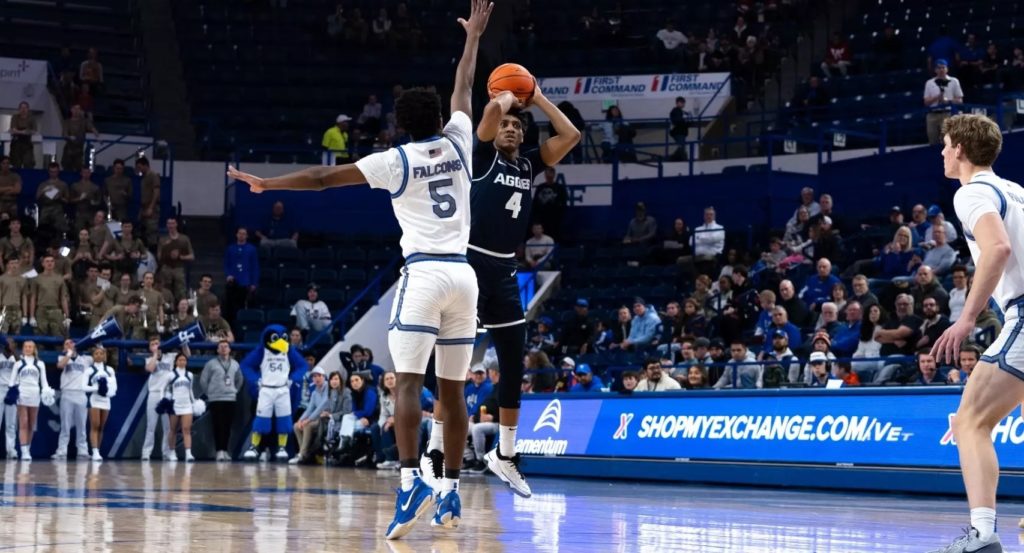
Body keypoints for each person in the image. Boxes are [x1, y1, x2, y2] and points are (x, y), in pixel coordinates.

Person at [227, 0, 492, 538]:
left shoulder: (396, 159)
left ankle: (411, 480)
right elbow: (465, 85)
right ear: (439, 121)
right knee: (454, 392)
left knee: (406, 384)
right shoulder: (460, 141)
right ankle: (450, 491)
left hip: (422, 275)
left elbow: (323, 181)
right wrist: (473, 38)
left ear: (400, 126)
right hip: (466, 277)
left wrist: (267, 185)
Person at [419, 46, 580, 501]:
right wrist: (509, 97)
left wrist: (539, 97)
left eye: (516, 127)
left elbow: (570, 134)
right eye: (507, 126)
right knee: (455, 363)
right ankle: (434, 447)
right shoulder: (481, 154)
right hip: (469, 262)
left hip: (505, 269)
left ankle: (504, 455)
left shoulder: (529, 163)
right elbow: (489, 111)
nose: (510, 128)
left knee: (514, 356)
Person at [925, 113, 1023, 552]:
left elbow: (998, 247)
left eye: (946, 144)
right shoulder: (1015, 191)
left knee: (970, 422)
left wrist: (967, 318)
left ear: (960, 149)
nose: (943, 152)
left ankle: (982, 535)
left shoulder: (973, 193)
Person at [199, 340, 243, 462]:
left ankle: (225, 450)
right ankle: (219, 451)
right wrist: (210, 393)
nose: (224, 349)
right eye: (221, 347)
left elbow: (240, 379)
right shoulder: (211, 364)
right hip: (216, 399)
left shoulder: (235, 364)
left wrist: (234, 391)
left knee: (228, 426)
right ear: (217, 350)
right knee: (218, 425)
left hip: (230, 398)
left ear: (230, 349)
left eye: (226, 346)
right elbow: (203, 380)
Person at [7, 340, 49, 461]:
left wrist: (47, 392)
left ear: (34, 349)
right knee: (23, 423)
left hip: (35, 394)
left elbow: (44, 381)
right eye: (26, 346)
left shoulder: (40, 364)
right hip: (22, 393)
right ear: (23, 348)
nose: (28, 348)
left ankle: (28, 448)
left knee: (31, 424)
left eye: (30, 347)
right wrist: (13, 392)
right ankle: (24, 450)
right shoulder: (18, 364)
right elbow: (12, 381)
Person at [142, 336, 180, 461]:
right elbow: (150, 369)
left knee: (168, 426)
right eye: (153, 344)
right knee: (151, 426)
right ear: (150, 347)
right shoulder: (148, 359)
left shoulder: (170, 357)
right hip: (154, 393)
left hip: (167, 394)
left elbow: (187, 355)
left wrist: (184, 343)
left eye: (157, 343)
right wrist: (154, 354)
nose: (156, 345)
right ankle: (146, 453)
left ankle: (167, 452)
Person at [52, 340, 91, 460]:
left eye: (71, 343)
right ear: (63, 348)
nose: (69, 345)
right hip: (67, 394)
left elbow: (102, 359)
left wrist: (98, 344)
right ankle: (62, 450)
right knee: (65, 424)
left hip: (81, 394)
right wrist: (68, 353)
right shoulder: (62, 357)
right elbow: (60, 366)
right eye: (66, 344)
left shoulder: (86, 359)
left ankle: (83, 450)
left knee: (82, 424)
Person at [82, 346, 116, 460]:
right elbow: (83, 387)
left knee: (101, 426)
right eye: (96, 353)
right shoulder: (89, 370)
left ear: (105, 355)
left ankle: (98, 450)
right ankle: (94, 451)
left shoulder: (109, 370)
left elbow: (114, 387)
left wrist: (108, 392)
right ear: (93, 356)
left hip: (106, 400)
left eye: (101, 353)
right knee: (95, 425)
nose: (99, 355)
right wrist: (96, 388)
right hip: (94, 400)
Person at [290, 366, 328, 464]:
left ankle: (302, 454)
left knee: (307, 425)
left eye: (319, 376)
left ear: (324, 376)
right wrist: (300, 420)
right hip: (316, 417)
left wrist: (309, 419)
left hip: (326, 418)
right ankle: (304, 453)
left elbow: (322, 407)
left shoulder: (328, 387)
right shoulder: (315, 392)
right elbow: (309, 409)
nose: (316, 378)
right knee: (296, 426)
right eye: (314, 377)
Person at [165, 353, 198, 462]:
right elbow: (165, 389)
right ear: (176, 362)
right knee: (173, 429)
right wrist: (166, 401)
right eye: (180, 360)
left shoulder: (190, 375)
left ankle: (188, 453)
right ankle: (172, 452)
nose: (182, 362)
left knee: (186, 429)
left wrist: (194, 402)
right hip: (175, 405)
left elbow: (191, 390)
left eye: (184, 360)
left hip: (187, 405)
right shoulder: (171, 375)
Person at [924, 59, 965, 146]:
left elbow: (960, 100)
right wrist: (937, 97)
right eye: (939, 68)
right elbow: (926, 102)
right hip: (932, 114)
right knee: (932, 139)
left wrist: (948, 101)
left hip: (948, 113)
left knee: (948, 141)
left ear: (947, 69)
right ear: (935, 70)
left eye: (943, 67)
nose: (941, 70)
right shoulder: (929, 83)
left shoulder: (954, 81)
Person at [223, 227, 259, 323]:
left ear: (247, 236)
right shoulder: (230, 248)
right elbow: (226, 264)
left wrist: (254, 283)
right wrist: (228, 275)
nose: (241, 235)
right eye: (240, 233)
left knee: (242, 306)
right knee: (230, 306)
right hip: (232, 282)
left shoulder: (252, 249)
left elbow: (255, 266)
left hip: (245, 282)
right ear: (236, 235)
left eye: (244, 234)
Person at [157, 217, 194, 302]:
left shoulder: (184, 239)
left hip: (179, 268)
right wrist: (167, 252)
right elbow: (159, 257)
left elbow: (192, 256)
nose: (171, 226)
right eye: (169, 223)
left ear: (176, 224)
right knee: (165, 291)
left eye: (173, 223)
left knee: (181, 292)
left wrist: (180, 256)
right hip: (166, 268)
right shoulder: (163, 240)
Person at [8, 101, 37, 169]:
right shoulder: (15, 117)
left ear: (28, 109)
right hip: (16, 143)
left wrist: (25, 132)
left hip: (27, 144)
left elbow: (34, 131)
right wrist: (24, 132)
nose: (23, 110)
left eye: (25, 108)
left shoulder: (32, 118)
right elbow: (13, 129)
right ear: (19, 109)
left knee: (28, 162)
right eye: (21, 108)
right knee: (16, 163)